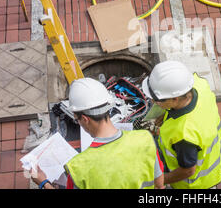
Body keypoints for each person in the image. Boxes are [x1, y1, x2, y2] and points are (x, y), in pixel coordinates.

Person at [30, 77, 164, 189]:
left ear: (84, 119)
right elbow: (159, 185)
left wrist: (43, 183)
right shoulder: (144, 138)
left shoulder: (77, 168)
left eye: (77, 120)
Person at [142, 60, 221, 189]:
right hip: (215, 153)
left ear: (175, 99)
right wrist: (167, 114)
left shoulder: (183, 135)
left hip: (197, 184)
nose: (153, 102)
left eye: (157, 100)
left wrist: (159, 180)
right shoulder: (199, 85)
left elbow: (187, 170)